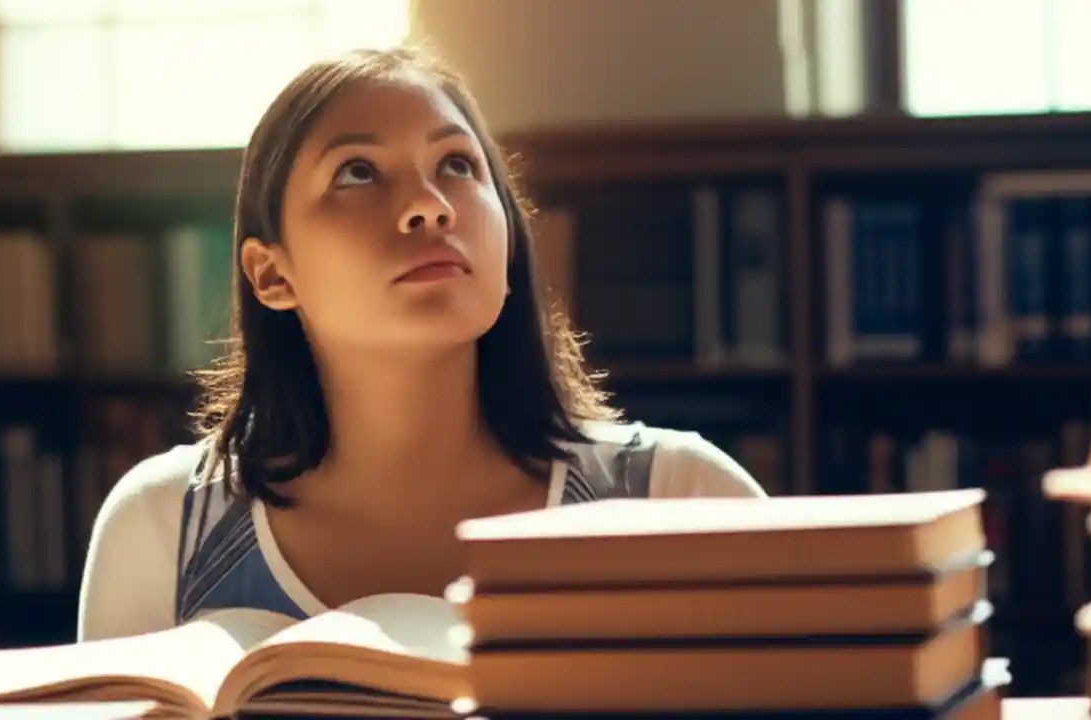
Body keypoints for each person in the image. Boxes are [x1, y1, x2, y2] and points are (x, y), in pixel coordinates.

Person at [77, 45, 766, 642]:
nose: (431, 203)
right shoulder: (164, 529)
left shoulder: (680, 497)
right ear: (272, 272)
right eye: (358, 172)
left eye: (459, 166)